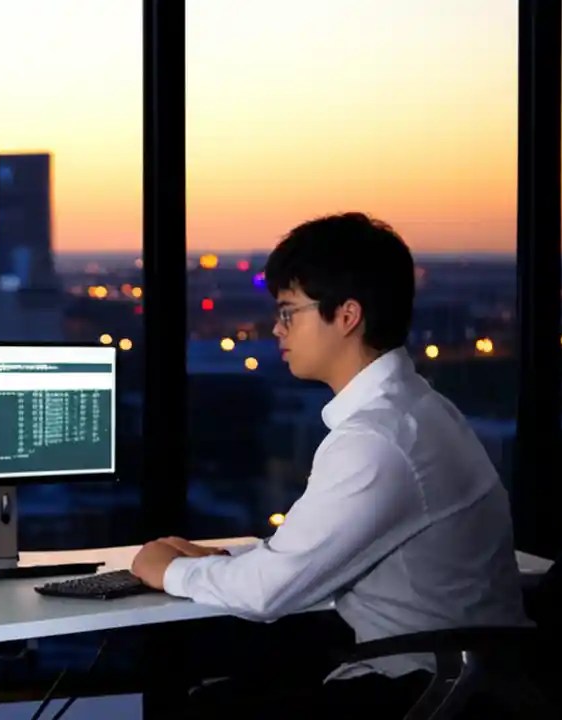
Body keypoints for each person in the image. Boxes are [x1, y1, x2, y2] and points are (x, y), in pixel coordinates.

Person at [130, 212, 530, 719]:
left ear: (346, 316)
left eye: (289, 313)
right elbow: (312, 554)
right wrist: (223, 563)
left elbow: (267, 594)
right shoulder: (416, 409)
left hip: (426, 685)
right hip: (463, 674)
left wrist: (167, 571)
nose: (277, 329)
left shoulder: (377, 441)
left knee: (206, 707)